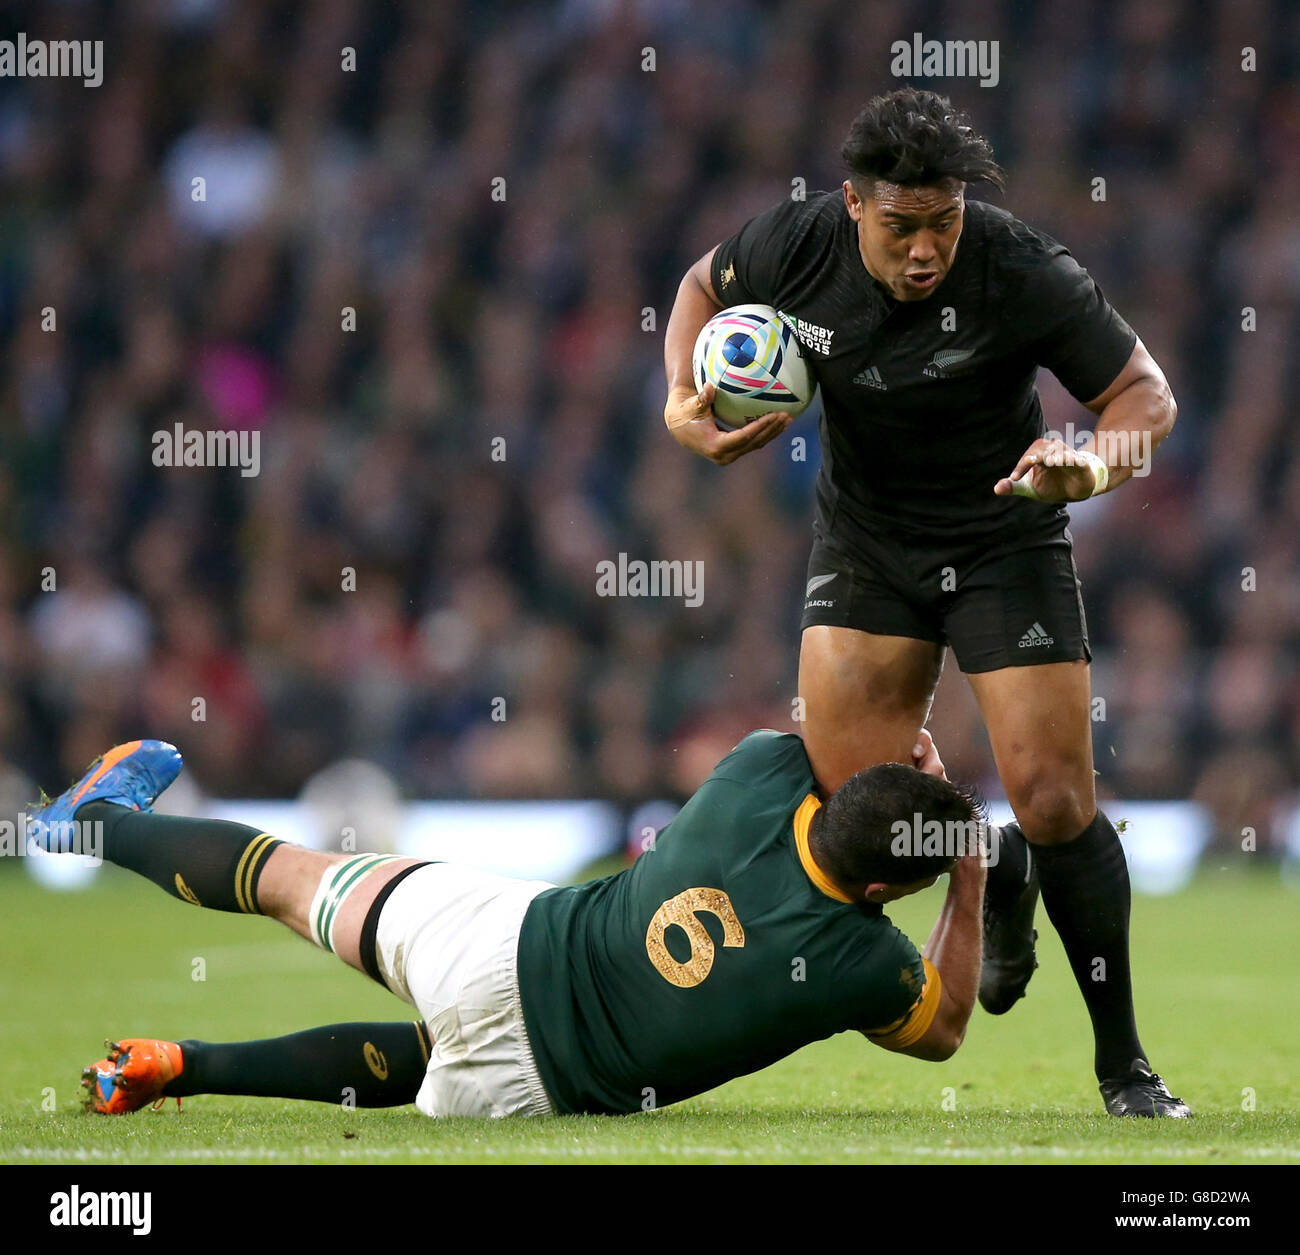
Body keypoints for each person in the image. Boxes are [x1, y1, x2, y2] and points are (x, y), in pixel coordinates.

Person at [662, 88, 1188, 1117]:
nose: (923, 252)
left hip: (1005, 533)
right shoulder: (795, 246)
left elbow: (1145, 399)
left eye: (941, 223)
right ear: (854, 207)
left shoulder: (1019, 268)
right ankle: (985, 869)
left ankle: (1123, 1064)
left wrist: (1088, 466)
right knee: (865, 826)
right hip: (867, 544)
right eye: (902, 226)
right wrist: (678, 402)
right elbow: (697, 284)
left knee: (1053, 800)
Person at [31, 733, 985, 1118]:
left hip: (495, 939)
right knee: (431, 1061)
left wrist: (904, 768)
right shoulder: (864, 958)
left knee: (287, 878)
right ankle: (181, 1065)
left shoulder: (760, 772)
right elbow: (944, 1029)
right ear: (884, 893)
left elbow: (829, 736)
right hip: (532, 1089)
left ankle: (97, 819)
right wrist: (969, 878)